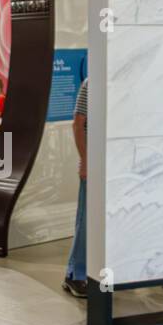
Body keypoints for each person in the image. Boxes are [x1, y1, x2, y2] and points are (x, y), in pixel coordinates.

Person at [63, 77, 89, 298]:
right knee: (87, 219)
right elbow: (78, 123)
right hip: (96, 163)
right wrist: (86, 158)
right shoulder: (92, 83)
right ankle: (75, 275)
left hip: (119, 162)